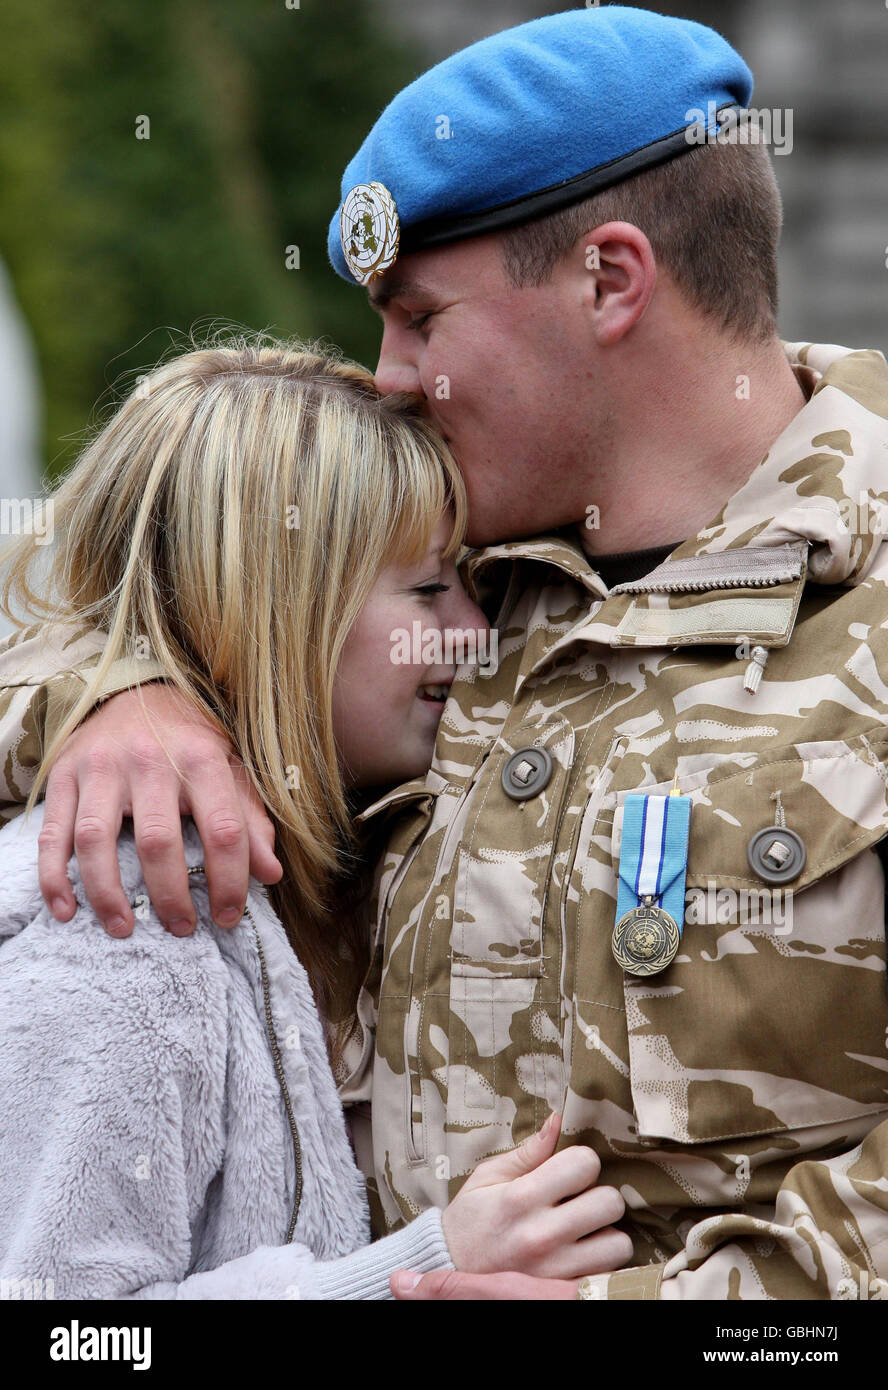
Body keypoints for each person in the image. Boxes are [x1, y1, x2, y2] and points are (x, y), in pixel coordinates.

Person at [2, 7, 888, 1301]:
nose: (390, 376)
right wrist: (123, 694)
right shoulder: (440, 550)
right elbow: (128, 578)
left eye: (421, 317)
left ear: (611, 280)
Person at [0, 338, 632, 1298]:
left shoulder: (335, 853)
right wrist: (419, 1272)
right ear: (262, 611)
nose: (474, 629)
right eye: (428, 588)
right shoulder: (120, 928)